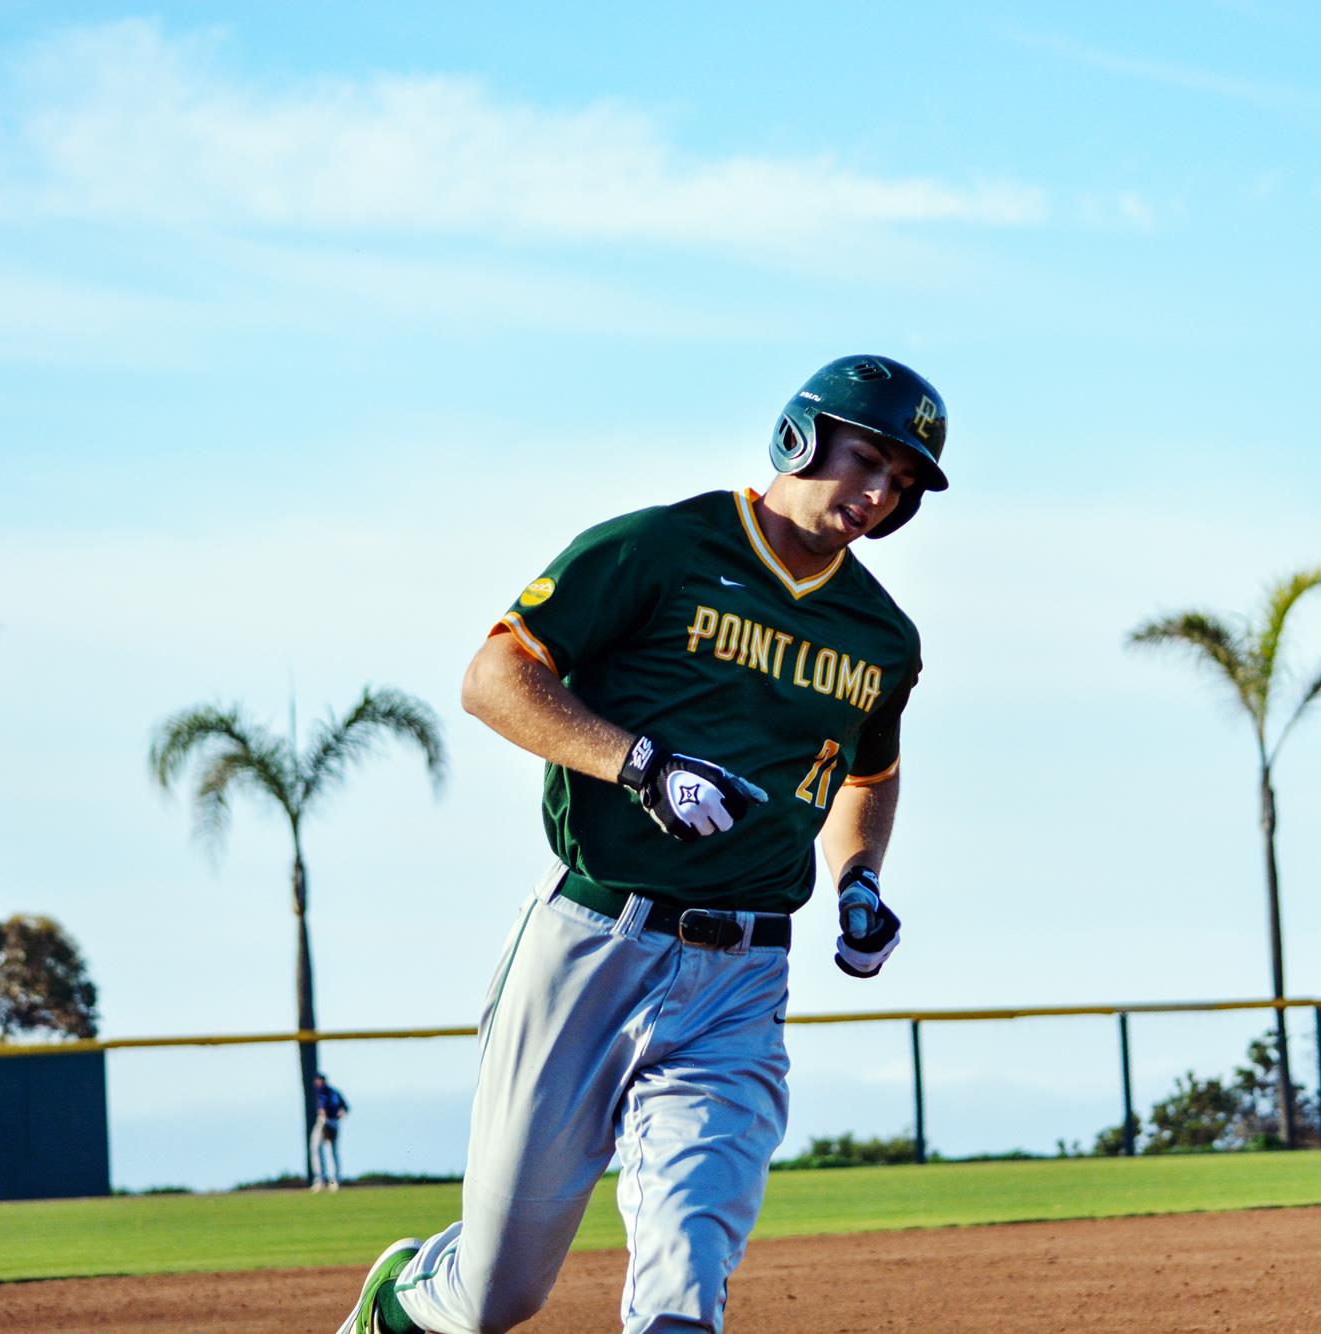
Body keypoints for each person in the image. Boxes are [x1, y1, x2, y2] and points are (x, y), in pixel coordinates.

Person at [337, 355, 946, 1334]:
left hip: (740, 978)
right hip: (590, 942)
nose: (877, 492)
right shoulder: (659, 547)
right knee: (497, 1292)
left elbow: (866, 773)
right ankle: (398, 1301)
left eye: (901, 482)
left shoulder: (881, 636)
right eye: (867, 457)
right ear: (802, 435)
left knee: (683, 1282)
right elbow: (494, 675)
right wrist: (637, 763)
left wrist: (859, 878)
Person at [310, 1073, 350, 1192]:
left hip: (327, 1122)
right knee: (325, 1150)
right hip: (331, 1122)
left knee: (323, 1150)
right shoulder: (333, 1092)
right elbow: (345, 1108)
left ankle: (327, 1181)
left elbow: (342, 1108)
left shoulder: (324, 1092)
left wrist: (328, 1116)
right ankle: (326, 1181)